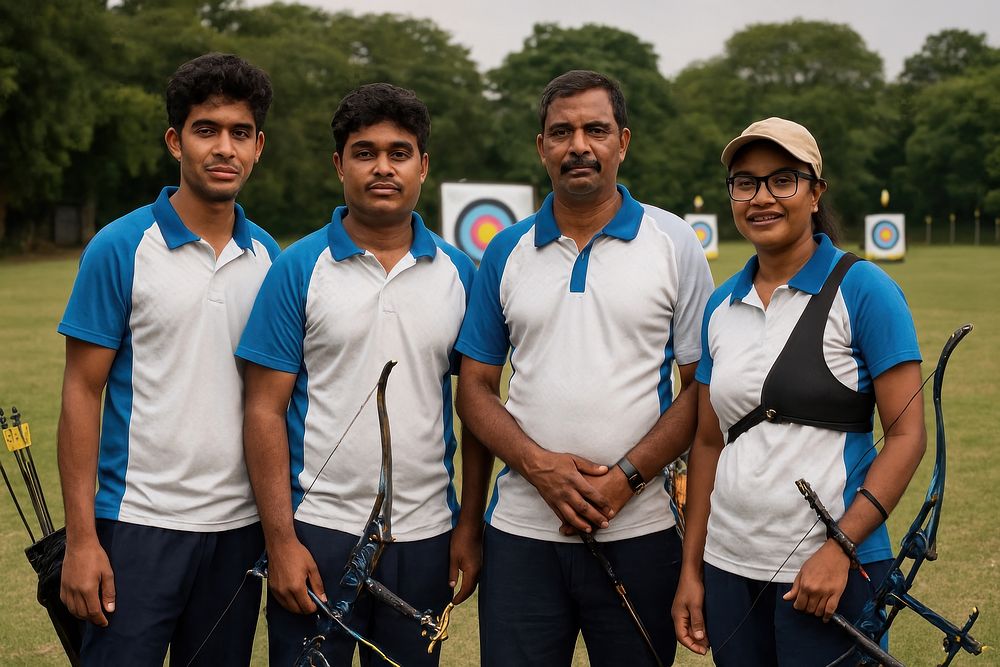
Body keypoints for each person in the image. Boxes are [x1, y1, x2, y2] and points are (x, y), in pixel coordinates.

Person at [455, 70, 714, 666]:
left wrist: (626, 477)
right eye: (561, 132)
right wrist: (538, 467)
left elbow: (702, 389)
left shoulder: (673, 242)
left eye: (596, 130)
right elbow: (474, 388)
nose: (579, 145)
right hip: (521, 532)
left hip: (642, 531)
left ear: (623, 142)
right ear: (540, 146)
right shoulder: (506, 249)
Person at [236, 83, 492, 666]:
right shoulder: (298, 267)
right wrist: (280, 541)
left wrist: (468, 527)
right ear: (339, 163)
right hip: (317, 530)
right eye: (364, 151)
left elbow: (477, 408)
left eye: (399, 153)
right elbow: (263, 410)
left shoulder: (460, 272)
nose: (383, 167)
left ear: (423, 166)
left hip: (426, 534)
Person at [671, 117, 926, 666]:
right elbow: (709, 445)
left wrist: (841, 548)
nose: (762, 197)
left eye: (783, 180)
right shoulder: (721, 305)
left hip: (831, 573)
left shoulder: (864, 289)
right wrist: (692, 570)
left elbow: (907, 435)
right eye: (745, 182)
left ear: (815, 193)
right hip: (730, 567)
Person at [56, 53, 278, 665]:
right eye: (206, 130)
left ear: (259, 146)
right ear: (175, 141)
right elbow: (81, 391)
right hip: (135, 527)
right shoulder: (121, 246)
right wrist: (81, 540)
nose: (223, 148)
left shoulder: (269, 258)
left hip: (238, 533)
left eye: (239, 133)